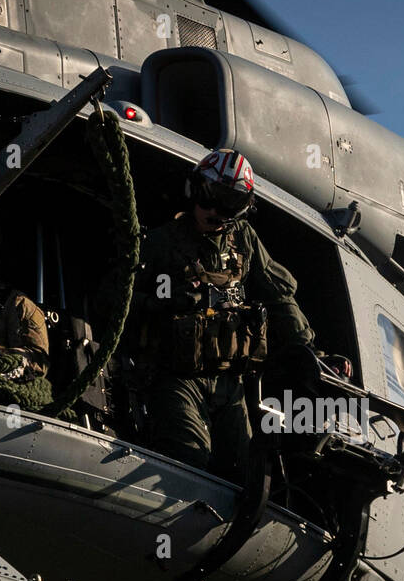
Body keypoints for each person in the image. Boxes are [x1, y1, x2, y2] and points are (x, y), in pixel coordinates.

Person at [129, 148, 338, 480]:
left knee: (243, 474)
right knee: (188, 460)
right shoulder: (159, 243)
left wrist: (309, 351)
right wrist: (164, 302)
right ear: (195, 190)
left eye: (230, 202)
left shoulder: (244, 241)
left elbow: (280, 299)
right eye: (210, 196)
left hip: (231, 383)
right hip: (177, 376)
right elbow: (114, 299)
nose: (215, 211)